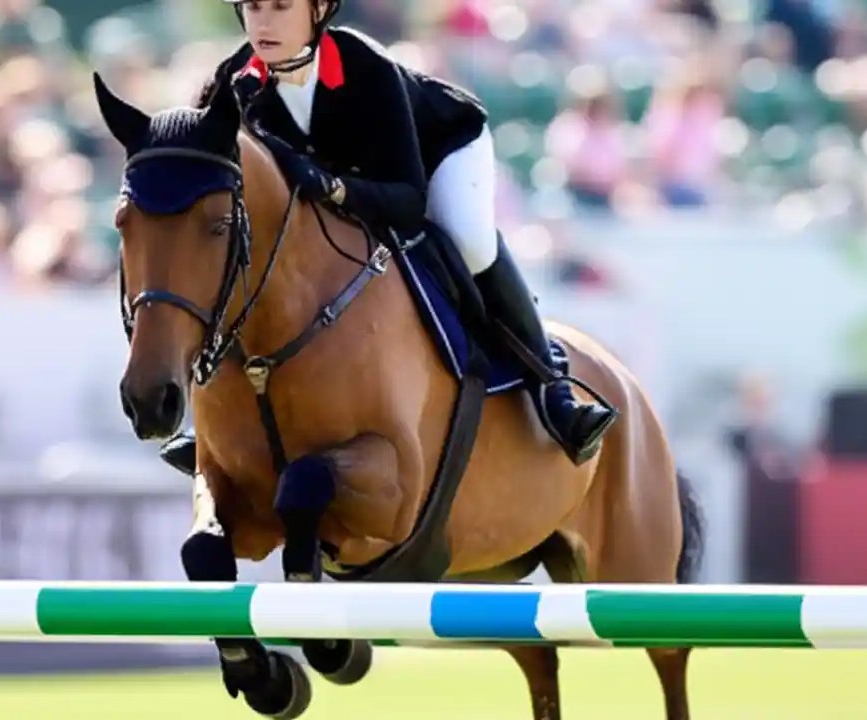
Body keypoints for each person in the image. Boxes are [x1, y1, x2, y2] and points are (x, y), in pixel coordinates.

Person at [158, 0, 618, 473]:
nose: (264, 23)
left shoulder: (363, 66)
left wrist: (333, 188)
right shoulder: (232, 84)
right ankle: (213, 416)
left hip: (438, 155)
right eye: (254, 8)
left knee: (467, 238)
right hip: (346, 189)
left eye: (281, 7)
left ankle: (552, 387)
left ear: (318, 11)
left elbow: (407, 200)